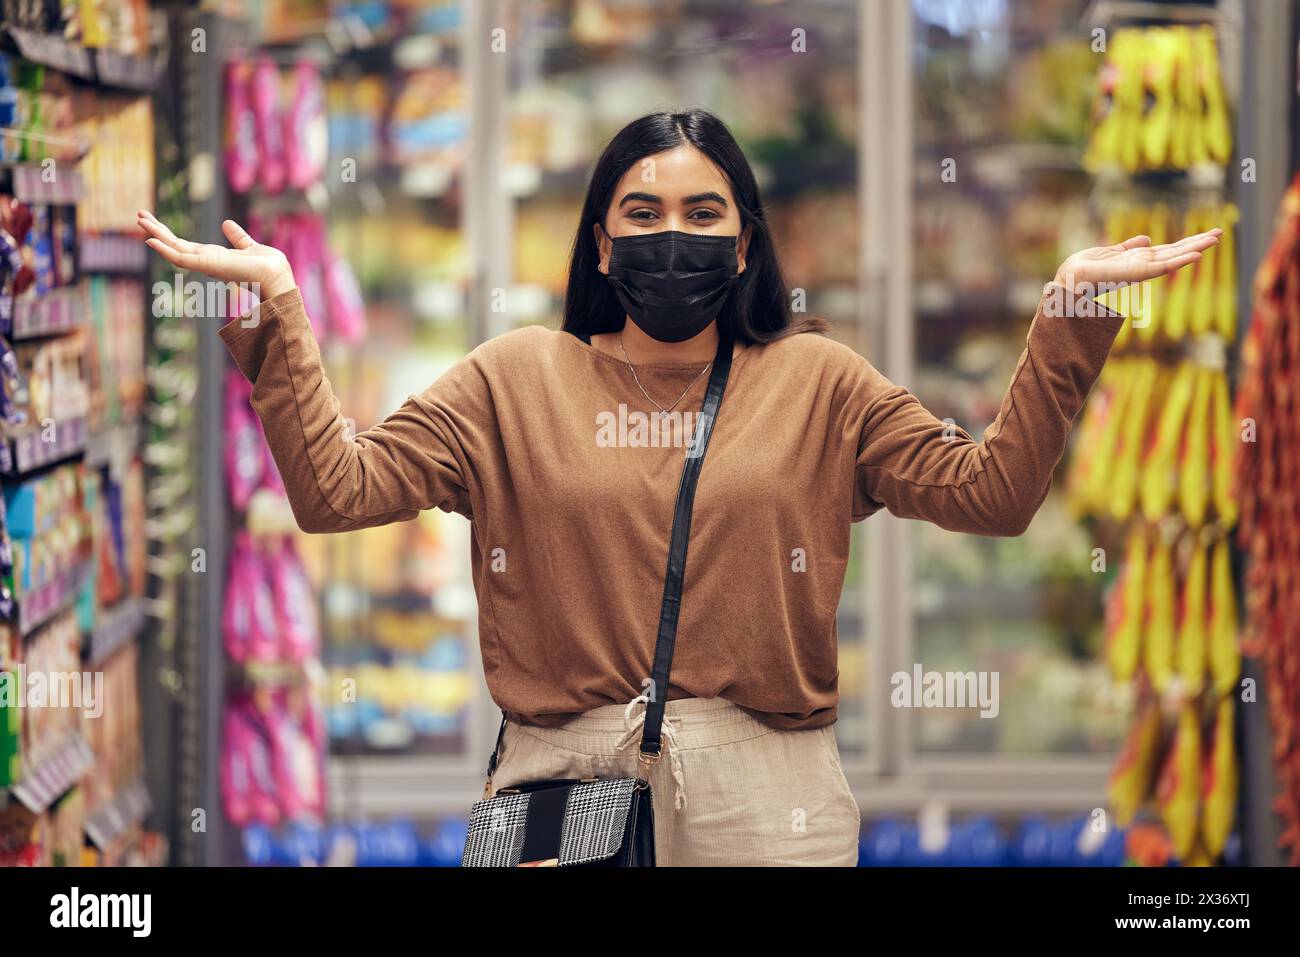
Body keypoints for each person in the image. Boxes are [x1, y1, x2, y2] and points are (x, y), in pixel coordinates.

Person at [140, 108, 1219, 866]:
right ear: (600, 241)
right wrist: (276, 313)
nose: (673, 237)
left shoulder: (815, 380)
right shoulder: (515, 377)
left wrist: (1071, 314)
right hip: (554, 792)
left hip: (768, 801)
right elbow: (335, 492)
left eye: (704, 215)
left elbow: (991, 496)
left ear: (746, 242)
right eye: (642, 214)